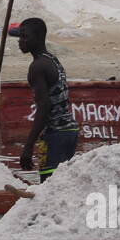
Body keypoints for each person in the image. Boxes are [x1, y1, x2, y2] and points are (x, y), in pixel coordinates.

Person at [16, 17, 79, 180]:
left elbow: (44, 107)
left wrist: (28, 146)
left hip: (56, 133)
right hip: (69, 131)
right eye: (20, 36)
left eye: (25, 36)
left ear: (38, 38)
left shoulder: (37, 66)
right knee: (61, 183)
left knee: (50, 184)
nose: (20, 41)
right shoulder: (51, 59)